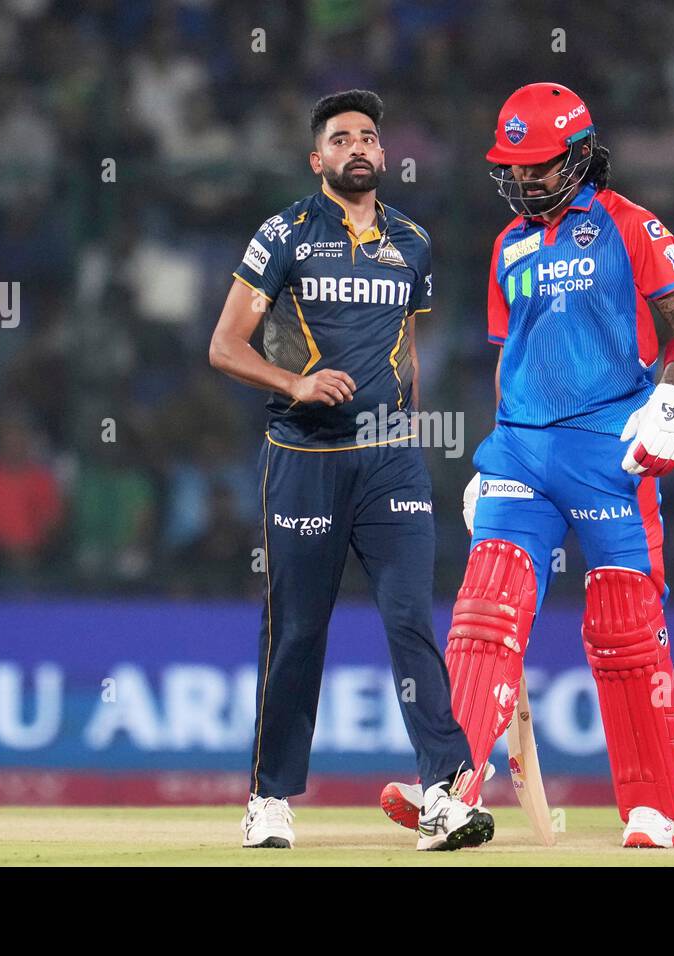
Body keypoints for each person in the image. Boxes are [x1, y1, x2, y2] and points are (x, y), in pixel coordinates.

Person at [381, 82, 674, 849]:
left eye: (541, 166)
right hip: (520, 452)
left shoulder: (632, 224)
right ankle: (448, 790)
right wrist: (487, 460)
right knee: (483, 611)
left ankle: (650, 807)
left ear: (581, 155)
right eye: (516, 167)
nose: (526, 180)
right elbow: (513, 360)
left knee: (624, 626)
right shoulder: (508, 245)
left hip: (610, 450)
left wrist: (669, 404)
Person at [208, 90, 490, 851]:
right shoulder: (284, 233)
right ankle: (269, 799)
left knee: (410, 621)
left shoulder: (414, 242)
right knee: (297, 632)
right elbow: (225, 346)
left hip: (390, 463)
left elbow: (409, 351)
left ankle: (442, 794)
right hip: (303, 459)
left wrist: (411, 429)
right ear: (318, 159)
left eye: (369, 136)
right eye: (341, 138)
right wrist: (296, 383)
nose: (359, 147)